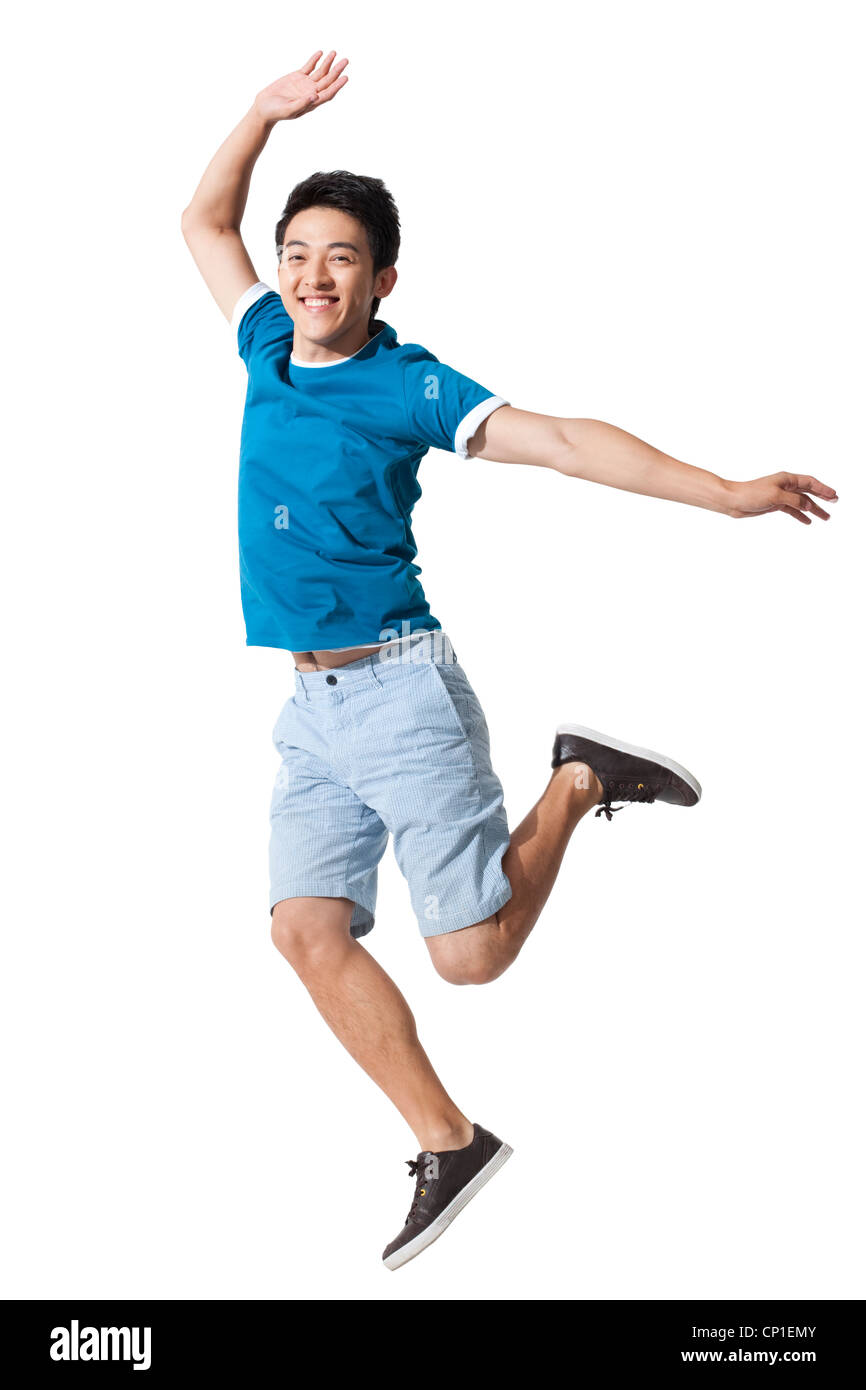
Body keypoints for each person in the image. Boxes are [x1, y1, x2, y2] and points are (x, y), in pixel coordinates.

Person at [181, 51, 838, 1271]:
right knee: (304, 930)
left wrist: (724, 493)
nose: (312, 274)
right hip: (307, 704)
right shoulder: (267, 341)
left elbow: (563, 441)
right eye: (299, 252)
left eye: (340, 258)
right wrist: (260, 114)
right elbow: (201, 219)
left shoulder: (405, 381)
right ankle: (450, 1140)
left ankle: (579, 778)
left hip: (394, 684)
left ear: (381, 279)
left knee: (469, 956)